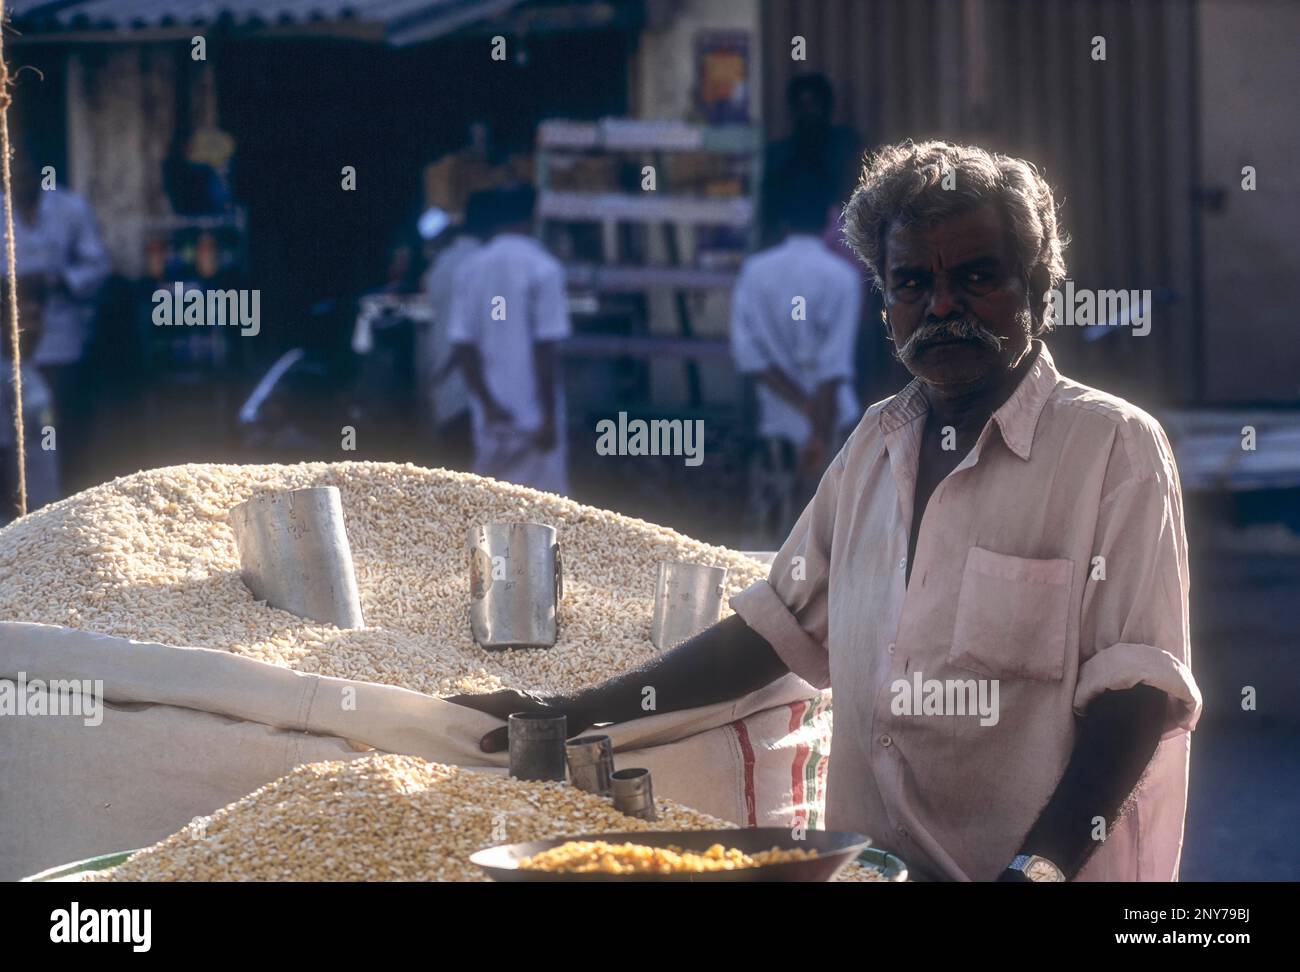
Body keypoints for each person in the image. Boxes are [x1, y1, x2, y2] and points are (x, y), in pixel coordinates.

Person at [451, 141, 1201, 883]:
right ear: (885, 305)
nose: (942, 306)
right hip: (881, 869)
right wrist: (567, 710)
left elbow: (1134, 697)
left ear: (1035, 289)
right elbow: (772, 629)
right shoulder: (877, 443)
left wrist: (1033, 869)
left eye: (976, 278)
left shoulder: (1114, 448)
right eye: (911, 283)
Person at [731, 183, 862, 541]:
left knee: (769, 536)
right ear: (826, 221)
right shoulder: (842, 277)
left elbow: (751, 358)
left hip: (776, 422)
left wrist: (803, 408)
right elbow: (833, 367)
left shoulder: (755, 272)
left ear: (783, 223)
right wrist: (818, 432)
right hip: (831, 421)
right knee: (828, 537)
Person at [447, 185, 570, 495]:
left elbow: (463, 344)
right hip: (535, 417)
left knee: (490, 506)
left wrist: (487, 404)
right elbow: (545, 346)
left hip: (491, 419)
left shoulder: (471, 268)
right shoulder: (544, 268)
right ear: (533, 218)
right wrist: (548, 417)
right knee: (545, 512)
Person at [2, 142, 110, 493]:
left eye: (25, 174)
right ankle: (29, 502)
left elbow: (97, 265)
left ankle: (73, 494)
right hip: (12, 340)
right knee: (22, 426)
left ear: (38, 173)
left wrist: (58, 280)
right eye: (11, 176)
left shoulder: (69, 207)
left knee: (62, 423)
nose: (19, 181)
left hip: (64, 337)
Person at [418, 192, 493, 469]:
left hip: (446, 380)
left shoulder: (443, 265)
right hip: (469, 380)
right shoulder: (482, 264)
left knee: (453, 465)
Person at [760, 72, 862, 248]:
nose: (809, 113)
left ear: (826, 107)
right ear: (793, 110)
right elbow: (769, 213)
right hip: (789, 244)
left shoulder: (845, 147)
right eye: (802, 106)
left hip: (841, 243)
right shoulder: (778, 155)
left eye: (814, 105)